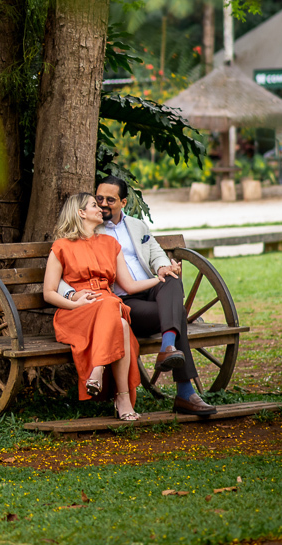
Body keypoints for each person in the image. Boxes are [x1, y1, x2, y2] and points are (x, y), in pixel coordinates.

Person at [82, 175, 217, 416]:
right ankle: (185, 393)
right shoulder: (93, 228)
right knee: (175, 315)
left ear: (123, 202)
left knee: (172, 278)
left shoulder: (137, 225)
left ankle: (168, 347)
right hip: (123, 302)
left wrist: (164, 266)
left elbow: (155, 253)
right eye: (99, 198)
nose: (102, 204)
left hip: (152, 291)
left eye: (109, 200)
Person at [42, 193, 168, 422]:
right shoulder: (61, 247)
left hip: (106, 306)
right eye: (93, 205)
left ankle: (98, 371)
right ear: (81, 213)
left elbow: (128, 286)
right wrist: (74, 302)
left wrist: (160, 278)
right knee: (115, 313)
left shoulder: (111, 244)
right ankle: (122, 398)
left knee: (117, 318)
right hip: (76, 311)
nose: (100, 208)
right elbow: (49, 292)